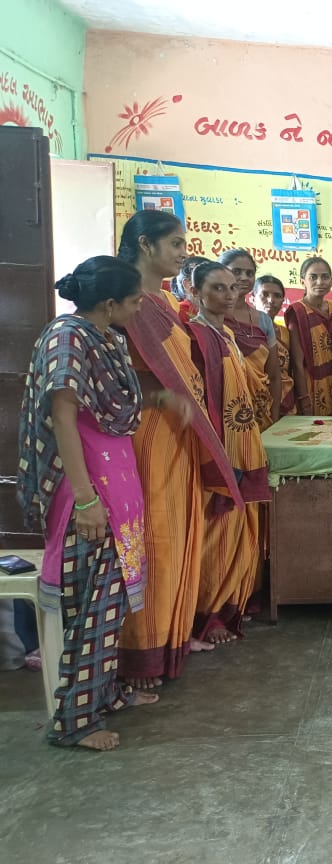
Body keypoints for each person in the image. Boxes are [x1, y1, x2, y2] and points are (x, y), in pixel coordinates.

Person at [17, 256, 160, 749]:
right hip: (87, 488)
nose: (141, 306)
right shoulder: (68, 337)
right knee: (93, 603)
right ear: (110, 302)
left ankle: (107, 693)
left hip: (113, 479)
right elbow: (62, 413)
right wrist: (84, 499)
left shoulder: (107, 337)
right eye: (136, 299)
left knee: (113, 597)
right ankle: (76, 722)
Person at [115, 211, 241, 690]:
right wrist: (161, 399)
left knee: (181, 534)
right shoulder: (127, 301)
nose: (183, 251)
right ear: (145, 245)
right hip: (150, 433)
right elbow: (118, 373)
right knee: (156, 538)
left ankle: (170, 638)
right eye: (175, 244)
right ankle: (139, 652)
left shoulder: (164, 301)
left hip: (181, 433)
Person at [187, 263, 271, 643]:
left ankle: (234, 602)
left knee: (241, 527)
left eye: (231, 287)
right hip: (221, 447)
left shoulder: (228, 335)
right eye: (217, 288)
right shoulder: (196, 336)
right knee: (217, 532)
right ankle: (210, 615)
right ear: (196, 292)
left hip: (245, 440)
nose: (228, 293)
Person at [220, 249, 280, 430]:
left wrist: (274, 415)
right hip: (225, 406)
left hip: (261, 408)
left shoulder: (263, 320)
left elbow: (274, 375)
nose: (244, 277)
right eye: (236, 271)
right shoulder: (213, 316)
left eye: (250, 273)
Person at [285, 256, 332, 416]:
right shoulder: (298, 312)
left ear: (331, 280)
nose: (320, 282)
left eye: (325, 277)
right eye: (313, 277)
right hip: (311, 383)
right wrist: (304, 398)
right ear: (303, 281)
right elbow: (297, 362)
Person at [254, 274, 295, 417]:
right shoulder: (246, 331)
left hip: (286, 399)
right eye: (264, 294)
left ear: (283, 301)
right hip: (256, 398)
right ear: (252, 298)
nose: (271, 300)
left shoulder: (285, 332)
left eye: (277, 296)